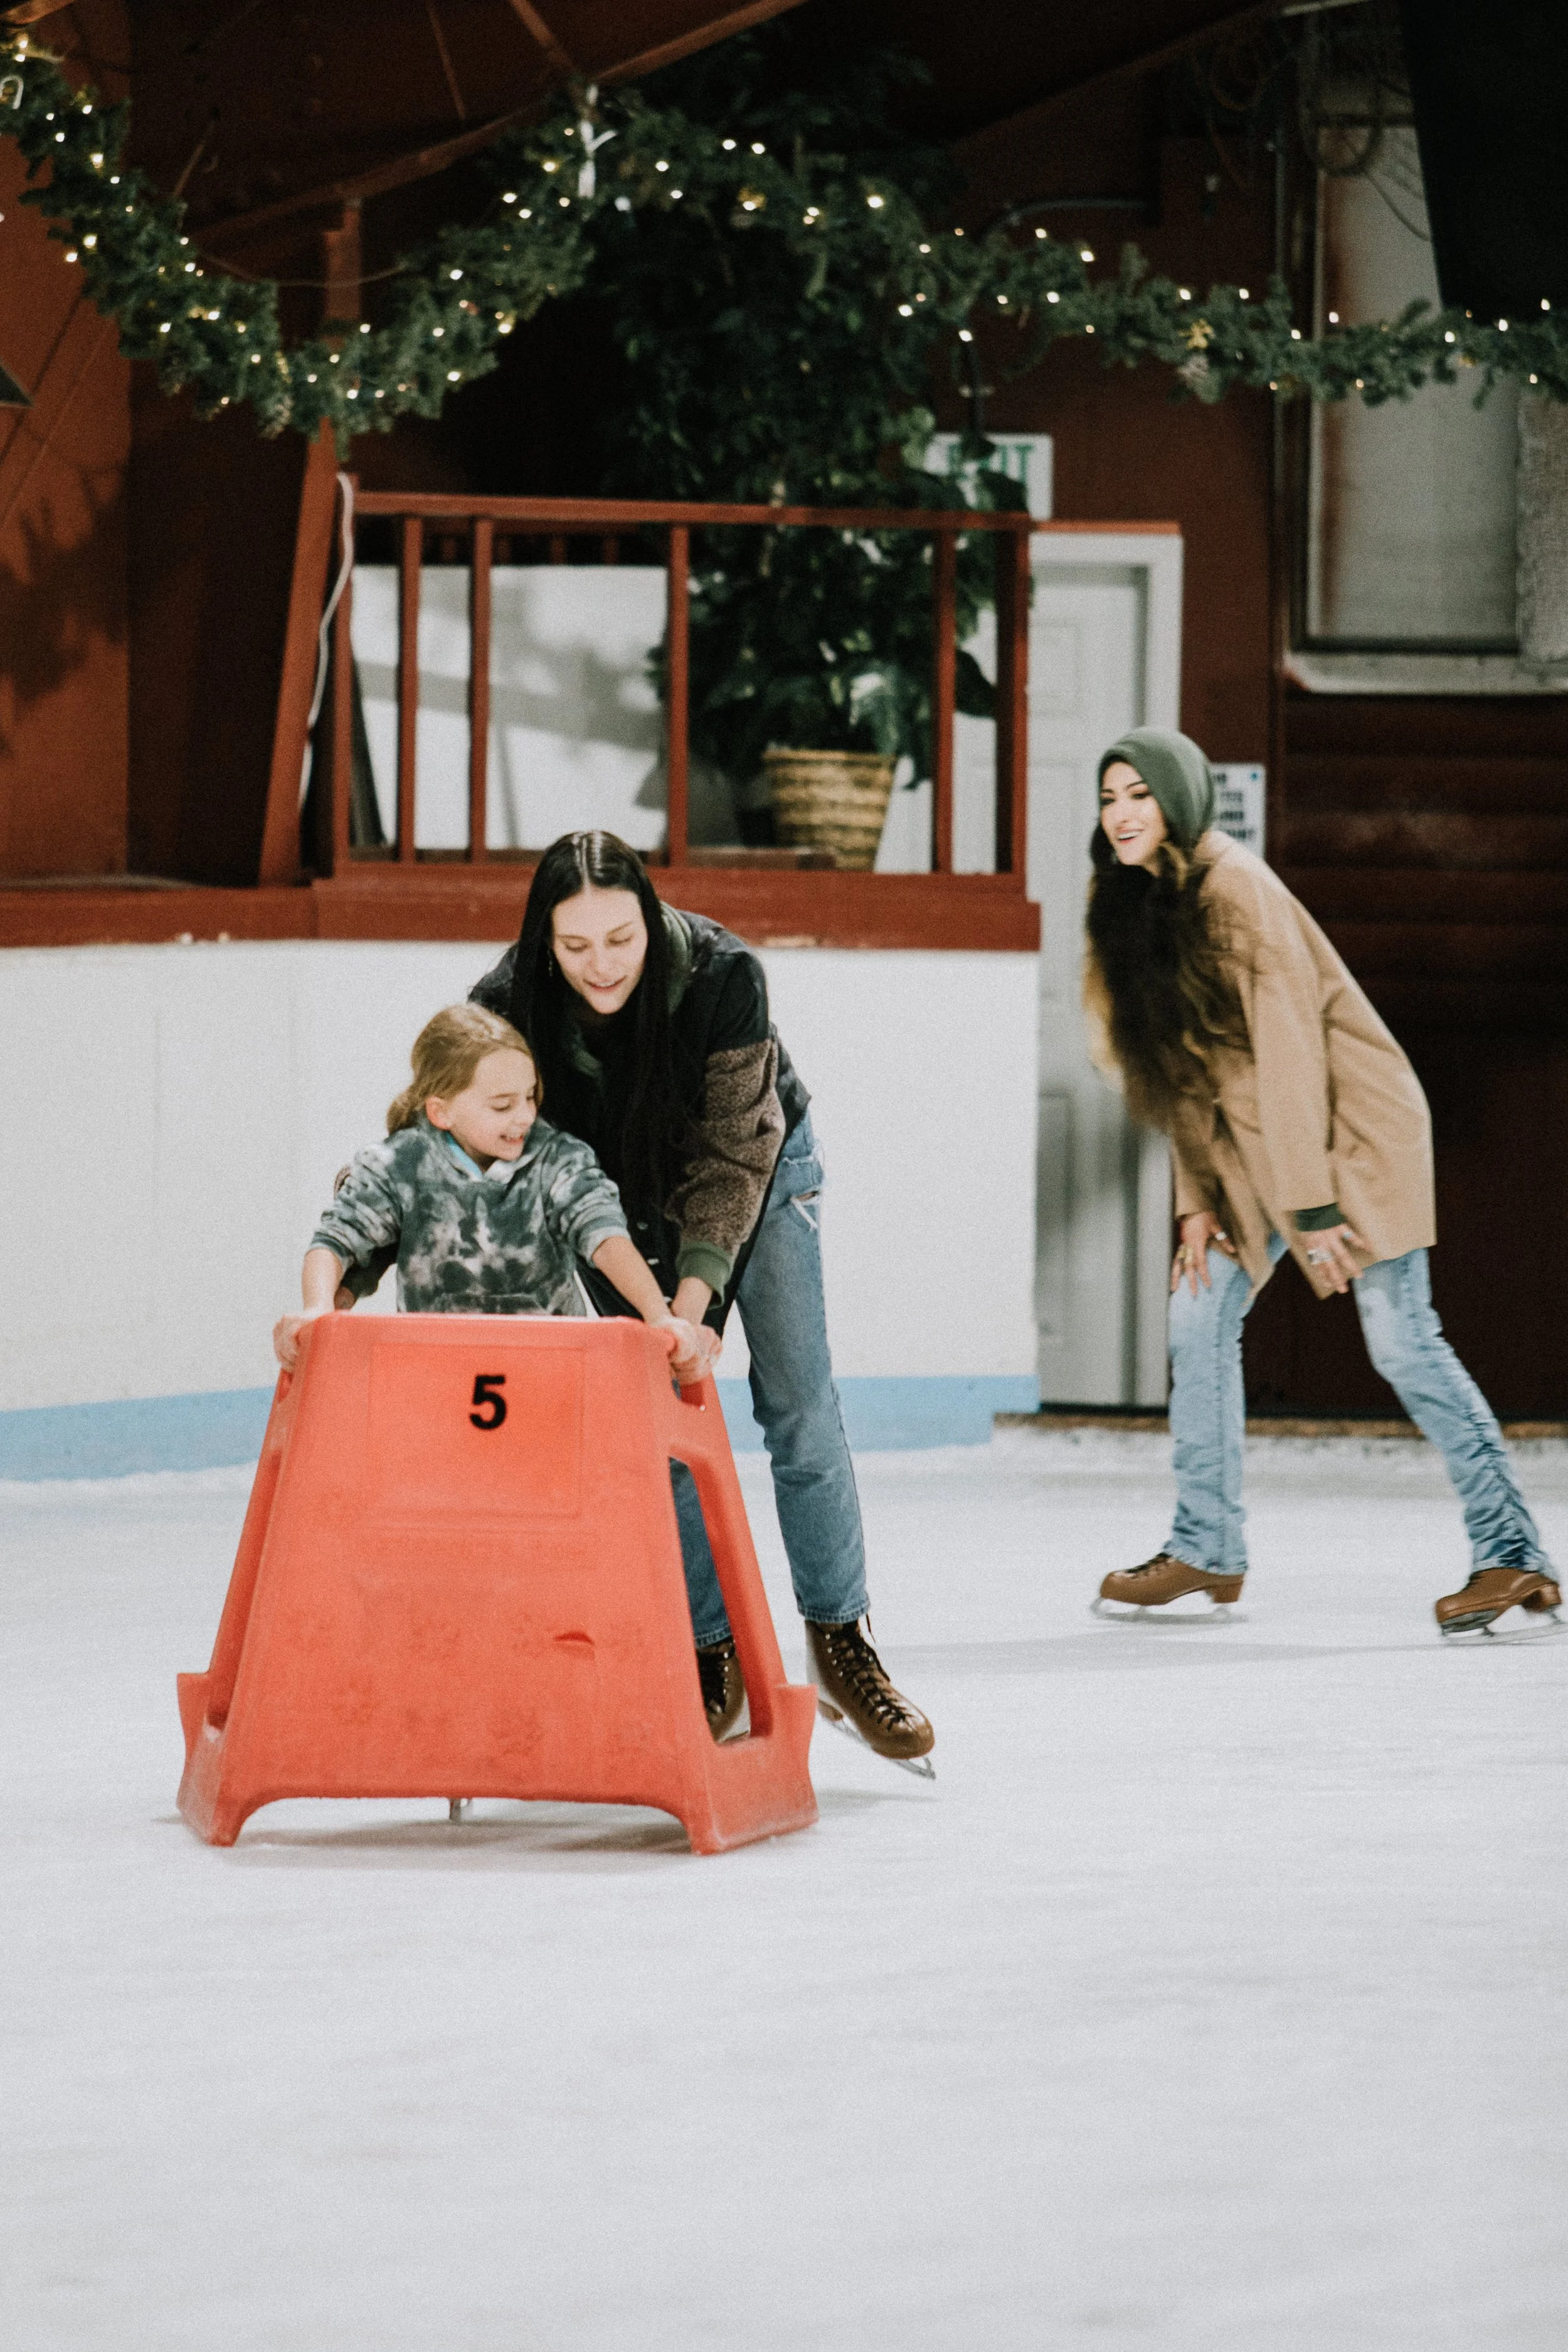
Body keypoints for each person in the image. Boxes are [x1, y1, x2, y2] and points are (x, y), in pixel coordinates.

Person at [470, 829, 936, 1769]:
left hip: (757, 1168)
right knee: (666, 1415)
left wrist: (693, 1310)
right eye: (575, 946)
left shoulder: (722, 977)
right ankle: (709, 1647)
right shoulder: (504, 1008)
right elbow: (465, 1142)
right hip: (612, 1200)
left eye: (620, 939)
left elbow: (732, 1162)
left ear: (650, 921)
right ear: (543, 940)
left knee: (799, 1401)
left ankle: (843, 1638)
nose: (601, 966)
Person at [1083, 726, 1559, 1639]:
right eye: (1109, 798)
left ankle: (1515, 1552)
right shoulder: (1137, 901)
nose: (1122, 814)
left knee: (1402, 1339)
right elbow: (1168, 1069)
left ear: (1179, 798)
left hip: (1350, 1136)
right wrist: (1195, 1206)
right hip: (1256, 1152)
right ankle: (1207, 1545)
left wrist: (1313, 1208)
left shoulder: (1237, 891)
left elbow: (1290, 1053)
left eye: (1140, 793)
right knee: (1196, 1312)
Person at [272, 1004, 709, 1386]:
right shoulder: (400, 1164)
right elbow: (334, 1240)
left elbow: (605, 1236)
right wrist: (317, 1309)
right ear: (441, 1112)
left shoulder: (557, 1159)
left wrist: (658, 1313)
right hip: (437, 1376)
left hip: (553, 1374)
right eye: (502, 1105)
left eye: (530, 1097)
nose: (523, 1116)